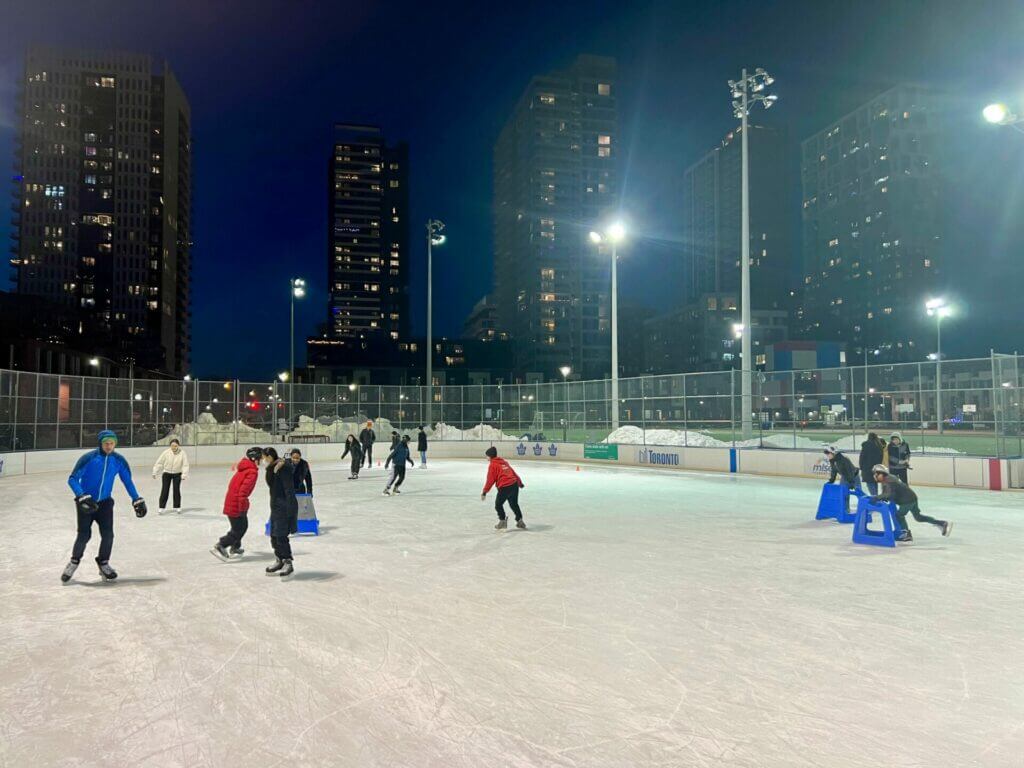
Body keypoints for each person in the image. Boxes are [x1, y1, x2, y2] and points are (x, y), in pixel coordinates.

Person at [62, 430, 148, 583]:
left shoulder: (119, 461)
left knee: (108, 535)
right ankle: (73, 562)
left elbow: (127, 481)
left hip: (105, 504)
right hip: (86, 503)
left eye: (112, 443)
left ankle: (103, 563)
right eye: (106, 443)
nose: (109, 446)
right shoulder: (89, 458)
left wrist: (136, 499)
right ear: (100, 444)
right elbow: (73, 479)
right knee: (84, 535)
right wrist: (81, 495)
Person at [870, 464, 952, 542]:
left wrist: (877, 498)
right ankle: (941, 523)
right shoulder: (888, 479)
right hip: (912, 498)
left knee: (899, 515)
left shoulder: (888, 480)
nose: (875, 476)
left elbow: (888, 493)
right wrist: (885, 497)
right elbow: (890, 493)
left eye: (876, 474)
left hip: (907, 501)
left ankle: (907, 534)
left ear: (881, 474)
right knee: (918, 517)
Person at [212, 446, 261, 560]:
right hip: (237, 502)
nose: (261, 461)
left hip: (232, 500)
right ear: (255, 459)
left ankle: (235, 547)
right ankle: (221, 545)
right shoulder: (252, 472)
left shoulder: (244, 468)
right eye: (260, 458)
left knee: (240, 526)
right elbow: (243, 492)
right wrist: (242, 507)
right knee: (240, 528)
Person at [263, 448, 297, 578]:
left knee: (281, 535)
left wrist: (290, 508)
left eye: (265, 458)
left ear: (270, 456)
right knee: (274, 535)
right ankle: (279, 560)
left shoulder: (283, 469)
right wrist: (273, 470)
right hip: (275, 507)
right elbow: (270, 484)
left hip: (283, 507)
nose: (264, 461)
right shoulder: (274, 468)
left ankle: (288, 561)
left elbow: (289, 489)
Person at [481, 446, 526, 530]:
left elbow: (490, 480)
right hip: (514, 485)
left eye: (486, 456)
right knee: (514, 504)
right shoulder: (504, 462)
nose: (486, 457)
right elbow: (513, 473)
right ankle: (520, 520)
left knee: (498, 505)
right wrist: (519, 483)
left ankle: (502, 521)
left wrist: (484, 492)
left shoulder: (492, 465)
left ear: (490, 456)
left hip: (505, 487)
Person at [152, 438, 189, 513]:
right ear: (170, 446)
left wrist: (184, 474)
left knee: (176, 490)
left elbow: (185, 465)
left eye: (175, 446)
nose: (173, 447)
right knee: (165, 490)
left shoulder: (182, 453)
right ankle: (161, 507)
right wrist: (155, 471)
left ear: (178, 446)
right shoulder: (166, 452)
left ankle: (177, 506)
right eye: (172, 446)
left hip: (177, 474)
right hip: (167, 473)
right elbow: (159, 462)